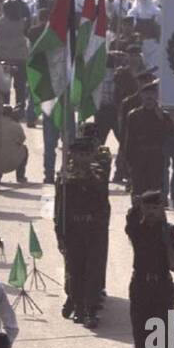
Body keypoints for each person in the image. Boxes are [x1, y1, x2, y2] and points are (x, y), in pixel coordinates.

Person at [125, 189, 174, 348]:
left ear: (161, 209)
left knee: (162, 334)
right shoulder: (137, 229)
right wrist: (137, 205)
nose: (151, 212)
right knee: (141, 333)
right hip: (140, 285)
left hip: (162, 287)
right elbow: (130, 220)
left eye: (155, 208)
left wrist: (167, 243)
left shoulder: (169, 231)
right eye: (148, 207)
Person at [56, 137, 110, 328]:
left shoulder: (98, 173)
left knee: (93, 270)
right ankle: (78, 306)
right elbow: (59, 208)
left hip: (93, 229)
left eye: (87, 154)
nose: (83, 158)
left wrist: (100, 227)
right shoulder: (64, 176)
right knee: (75, 269)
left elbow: (103, 200)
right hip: (73, 229)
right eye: (79, 154)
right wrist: (59, 233)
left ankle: (91, 309)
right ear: (72, 155)